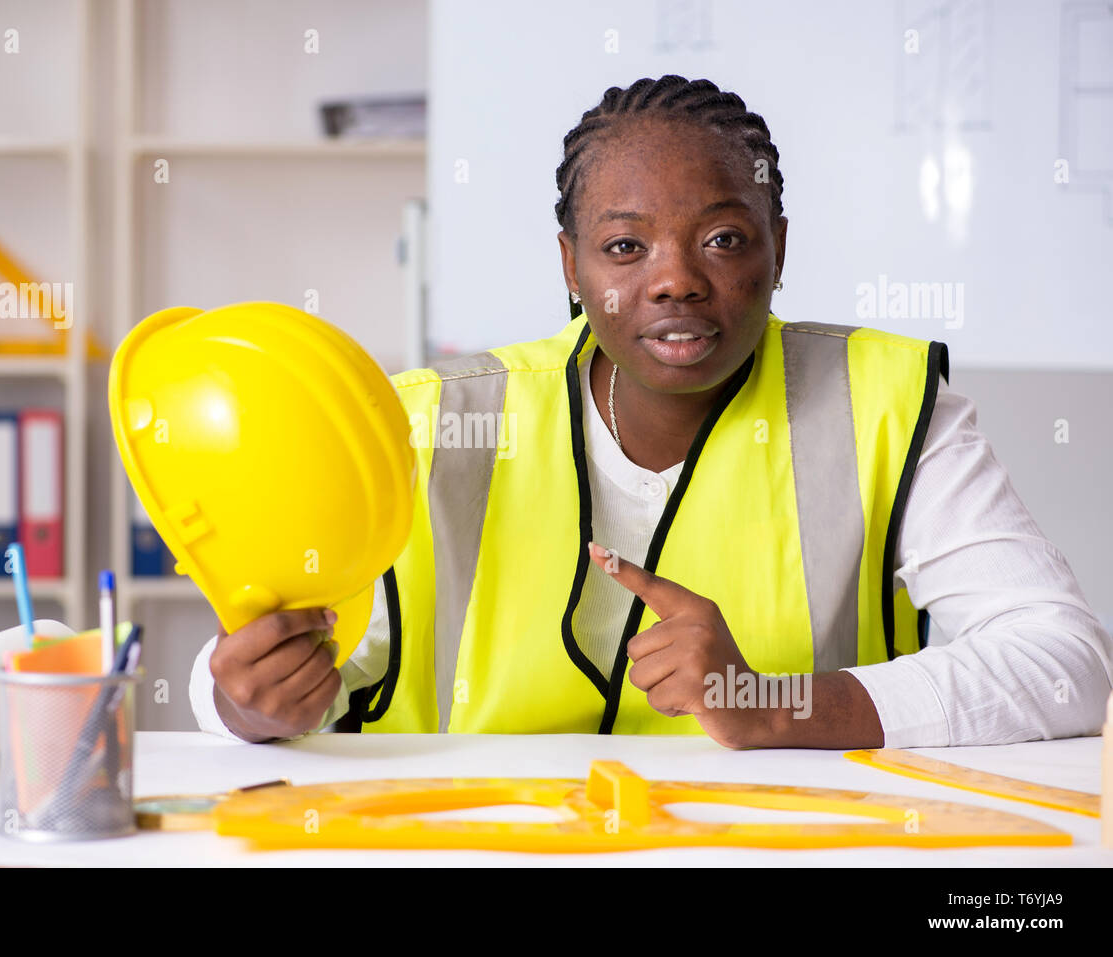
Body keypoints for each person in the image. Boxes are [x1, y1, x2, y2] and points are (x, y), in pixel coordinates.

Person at [192, 75, 1112, 748]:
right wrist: (241, 697)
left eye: (721, 238)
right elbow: (263, 668)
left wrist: (777, 703)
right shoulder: (429, 423)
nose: (674, 279)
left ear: (778, 248)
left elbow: (1068, 662)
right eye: (624, 245)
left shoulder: (889, 404)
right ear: (571, 266)